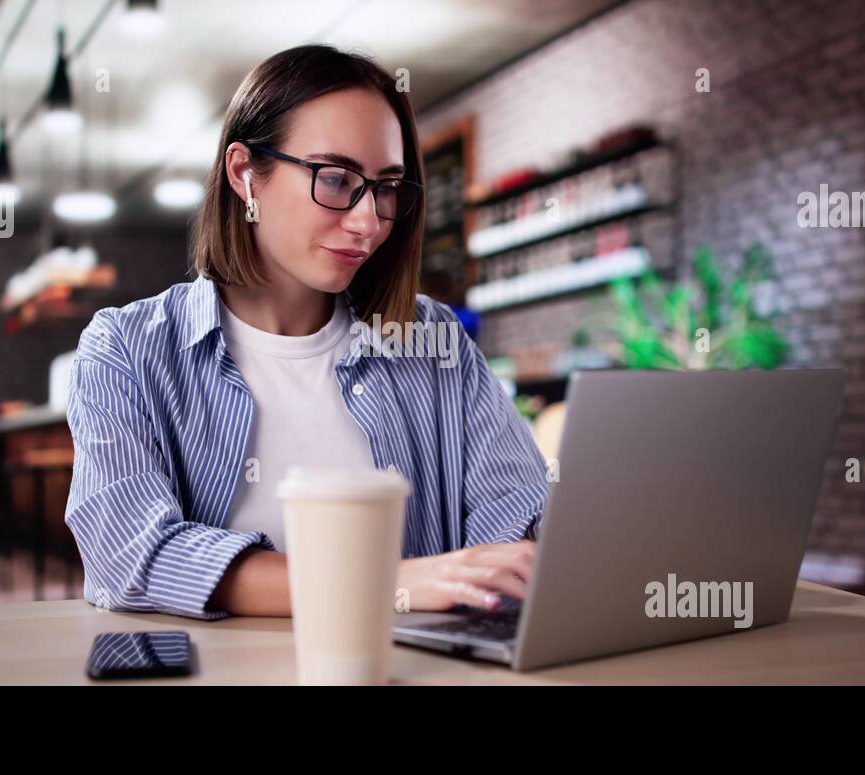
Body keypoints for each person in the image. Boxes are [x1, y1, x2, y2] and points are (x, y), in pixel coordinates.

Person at [64, 44, 547, 620]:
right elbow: (131, 557)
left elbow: (518, 521)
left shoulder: (433, 341)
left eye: (387, 187)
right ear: (245, 174)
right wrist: (383, 583)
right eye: (337, 179)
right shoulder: (125, 350)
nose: (368, 220)